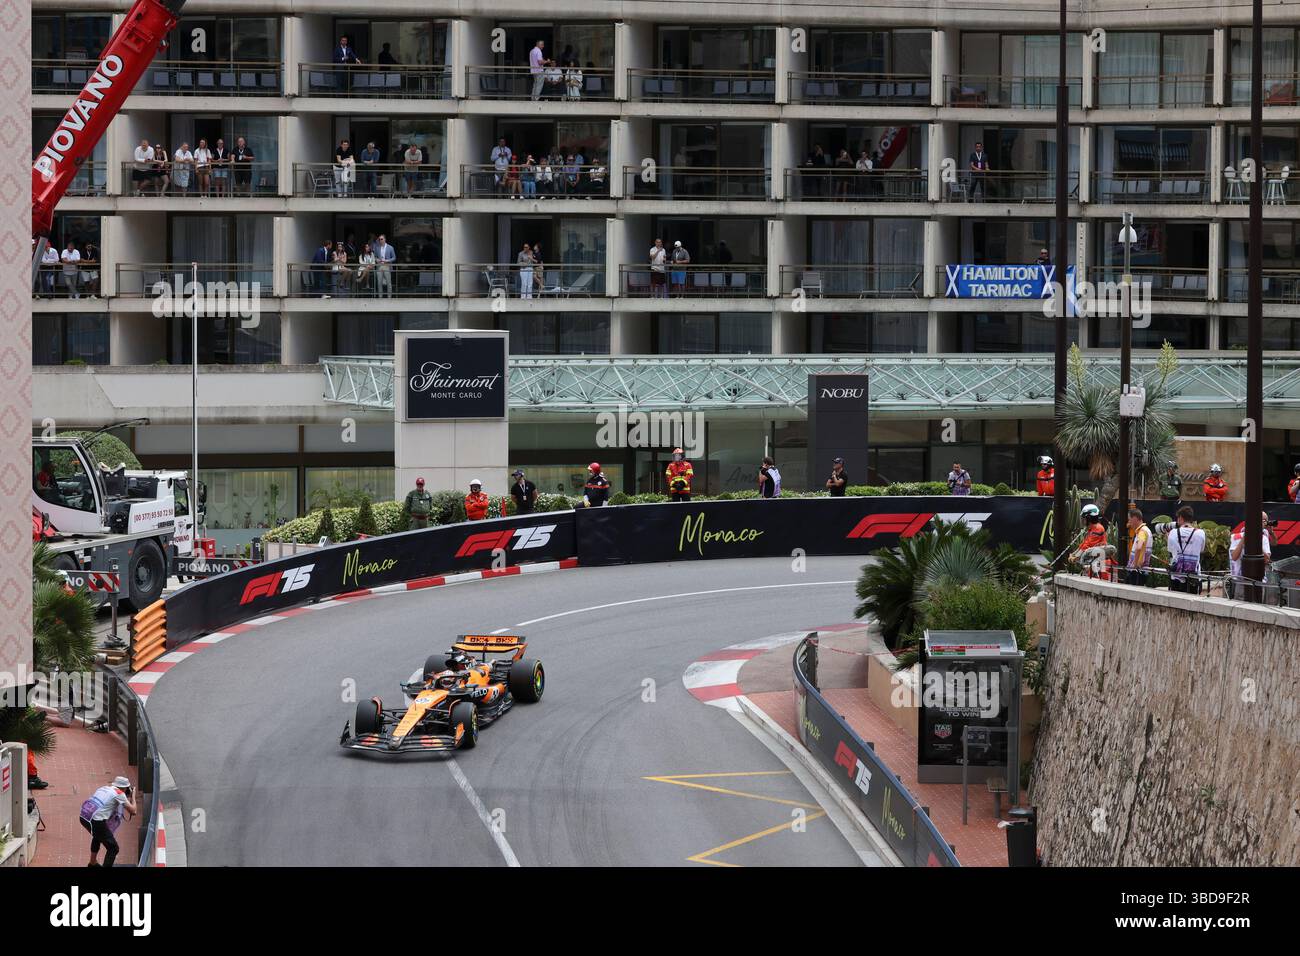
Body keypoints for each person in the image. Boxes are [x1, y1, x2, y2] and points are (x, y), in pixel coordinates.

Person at [79, 775, 136, 868]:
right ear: (125, 788)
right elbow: (133, 811)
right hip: (95, 821)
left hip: (84, 817)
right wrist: (133, 796)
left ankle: (92, 863)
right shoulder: (119, 793)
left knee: (97, 836)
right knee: (113, 848)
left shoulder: (104, 788)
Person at [1157, 506, 1205, 593]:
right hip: (1194, 576)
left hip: (1176, 576)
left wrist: (1168, 537)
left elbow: (1171, 550)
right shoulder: (1201, 533)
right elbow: (1201, 550)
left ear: (1181, 518)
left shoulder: (1173, 533)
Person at [1229, 511, 1272, 594]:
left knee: (1258, 606)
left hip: (1259, 580)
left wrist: (1255, 540)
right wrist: (1245, 537)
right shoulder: (1236, 536)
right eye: (1262, 521)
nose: (1264, 523)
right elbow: (1234, 557)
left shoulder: (1264, 538)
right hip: (1240, 581)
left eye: (1265, 521)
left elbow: (1267, 560)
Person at [1073, 503, 1112, 579]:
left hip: (1101, 563)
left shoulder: (1098, 528)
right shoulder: (1092, 529)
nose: (1083, 521)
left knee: (1101, 585)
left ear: (1089, 518)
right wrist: (1074, 554)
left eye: (1084, 518)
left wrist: (1076, 556)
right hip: (1095, 562)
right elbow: (1083, 544)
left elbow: (1088, 545)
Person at [1125, 507, 1153, 584]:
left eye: (1130, 519)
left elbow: (1139, 547)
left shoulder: (1142, 531)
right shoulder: (1147, 530)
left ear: (1135, 518)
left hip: (1136, 571)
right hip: (1143, 570)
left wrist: (1135, 565)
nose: (1129, 522)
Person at [374, 233, 397, 297]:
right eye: (379, 239)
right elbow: (375, 256)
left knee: (388, 283)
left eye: (381, 239)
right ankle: (380, 297)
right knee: (379, 283)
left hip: (387, 265)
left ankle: (389, 297)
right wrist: (376, 259)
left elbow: (394, 257)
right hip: (379, 266)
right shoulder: (377, 247)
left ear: (385, 239)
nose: (380, 240)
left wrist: (387, 260)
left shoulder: (390, 247)